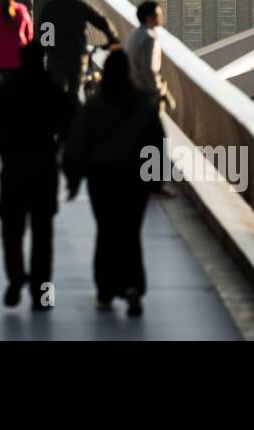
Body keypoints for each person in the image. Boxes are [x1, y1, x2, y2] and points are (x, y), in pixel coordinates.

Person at [64, 49, 158, 316]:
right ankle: (133, 287)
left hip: (102, 177)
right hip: (134, 177)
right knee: (130, 232)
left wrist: (73, 178)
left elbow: (78, 142)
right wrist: (156, 180)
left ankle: (106, 289)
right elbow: (156, 142)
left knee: (107, 231)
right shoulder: (142, 103)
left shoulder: (95, 105)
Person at [0, 41, 70, 311]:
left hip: (14, 166)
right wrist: (60, 151)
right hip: (44, 166)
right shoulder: (53, 92)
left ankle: (16, 277)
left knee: (11, 227)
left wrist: (2, 148)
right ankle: (41, 294)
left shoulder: (6, 91)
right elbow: (72, 123)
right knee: (43, 233)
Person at [38, 0, 119, 105]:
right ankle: (75, 119)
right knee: (74, 91)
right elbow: (102, 22)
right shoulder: (80, 5)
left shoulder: (49, 7)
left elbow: (45, 32)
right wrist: (113, 39)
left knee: (57, 92)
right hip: (77, 55)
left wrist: (49, 50)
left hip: (56, 57)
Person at [124, 0, 176, 198]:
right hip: (146, 95)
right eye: (157, 14)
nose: (160, 17)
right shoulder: (149, 38)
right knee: (157, 140)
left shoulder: (134, 35)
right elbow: (150, 70)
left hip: (134, 93)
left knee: (142, 139)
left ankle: (141, 180)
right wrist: (161, 92)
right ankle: (155, 184)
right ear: (148, 17)